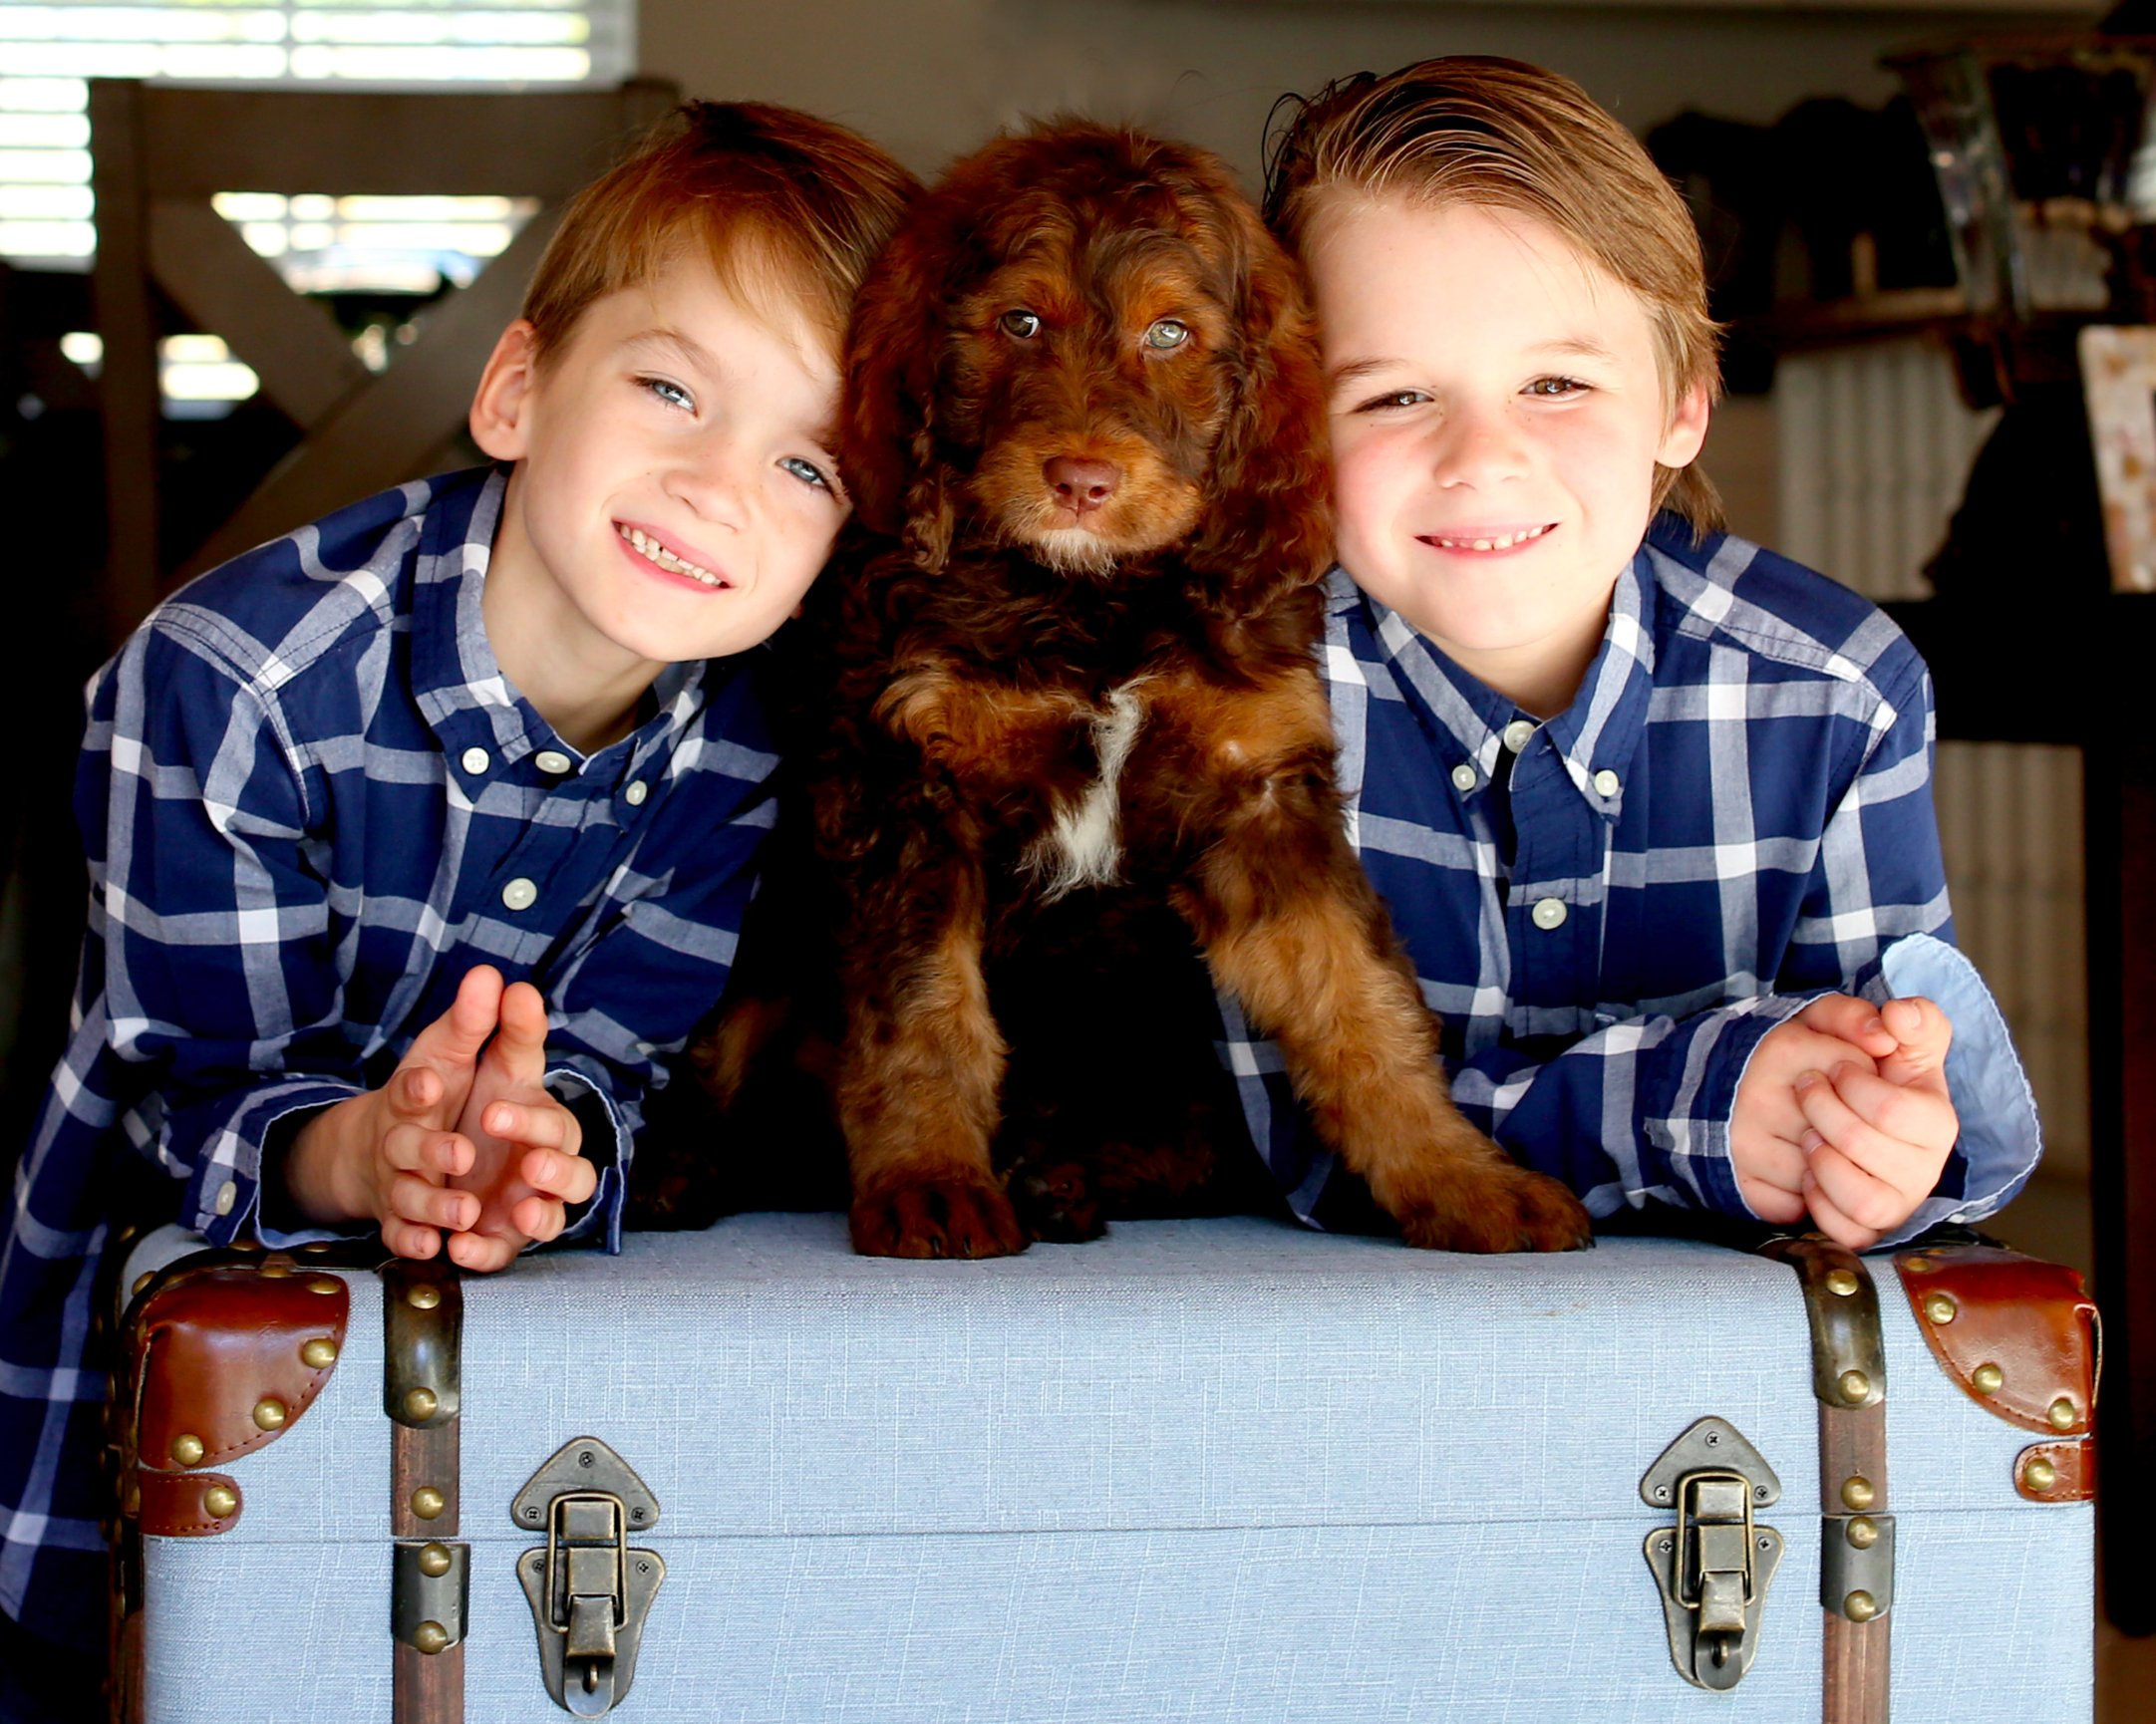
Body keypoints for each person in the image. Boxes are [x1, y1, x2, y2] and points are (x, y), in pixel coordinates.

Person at [0, 100, 916, 1706]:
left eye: (807, 461)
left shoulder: (750, 749)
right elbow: (183, 1098)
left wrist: (539, 1136)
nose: (718, 485)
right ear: (514, 390)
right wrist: (358, 1149)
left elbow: (620, 1051)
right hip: (142, 1408)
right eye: (668, 388)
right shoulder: (234, 686)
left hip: (486, 1419)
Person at [1227, 55, 2038, 1253]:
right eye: (1394, 396)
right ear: (1289, 424)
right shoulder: (1237, 694)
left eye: (1556, 381)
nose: (1483, 456)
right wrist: (1681, 1108)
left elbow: (1914, 1091)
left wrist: (1876, 1136)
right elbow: (1292, 1141)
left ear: (1684, 403)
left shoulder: (1839, 693)